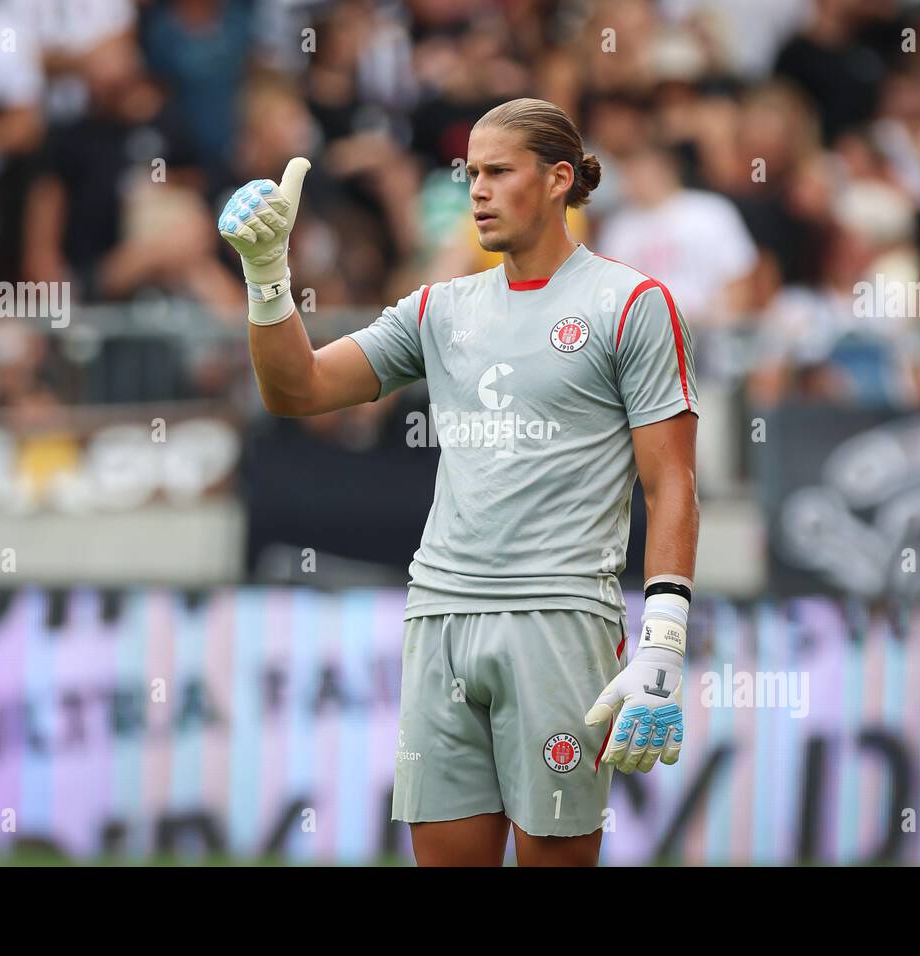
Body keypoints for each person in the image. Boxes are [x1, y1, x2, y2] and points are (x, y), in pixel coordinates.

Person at [218, 98, 699, 867]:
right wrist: (266, 273)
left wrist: (664, 644)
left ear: (558, 179)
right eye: (470, 173)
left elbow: (671, 483)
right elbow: (297, 389)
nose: (476, 190)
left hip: (559, 616)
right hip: (440, 614)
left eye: (498, 172)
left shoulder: (631, 304)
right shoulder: (440, 308)